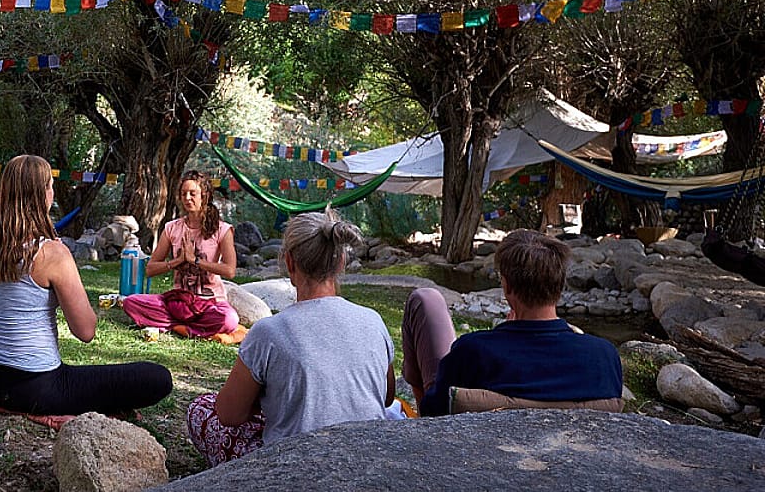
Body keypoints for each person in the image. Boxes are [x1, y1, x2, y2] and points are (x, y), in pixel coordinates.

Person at [0, 155, 172, 415]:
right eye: (50, 186)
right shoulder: (52, 253)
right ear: (44, 194)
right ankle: (27, 408)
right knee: (157, 377)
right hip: (35, 386)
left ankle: (3, 403)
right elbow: (85, 331)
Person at [186, 211, 395, 467]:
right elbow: (385, 397)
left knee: (201, 409)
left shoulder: (269, 332)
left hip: (296, 468)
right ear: (341, 262)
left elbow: (228, 415)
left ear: (290, 262)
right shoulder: (373, 321)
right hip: (368, 462)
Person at [403, 229, 623, 416]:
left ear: (506, 286)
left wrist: (499, 335)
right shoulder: (603, 356)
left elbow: (432, 412)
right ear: (560, 286)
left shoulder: (473, 351)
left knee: (424, 301)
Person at [122, 169, 239, 338]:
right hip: (178, 301)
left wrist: (195, 261)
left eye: (193, 193)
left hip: (209, 303)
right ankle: (188, 327)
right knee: (131, 302)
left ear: (204, 195)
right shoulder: (172, 228)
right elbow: (150, 269)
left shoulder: (222, 229)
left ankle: (177, 326)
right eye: (184, 194)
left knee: (229, 320)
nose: (187, 198)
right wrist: (177, 261)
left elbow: (230, 271)